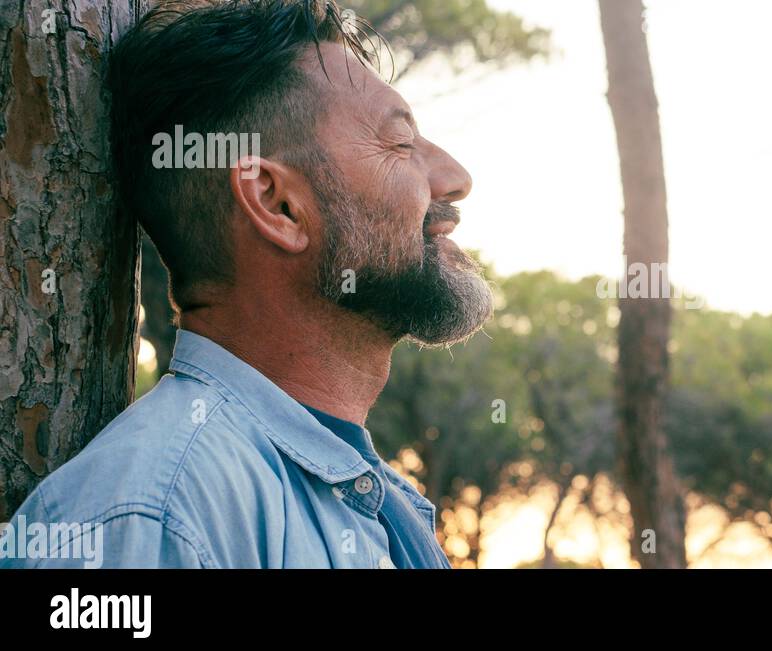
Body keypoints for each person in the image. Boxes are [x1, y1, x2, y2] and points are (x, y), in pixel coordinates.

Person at [0, 0, 489, 568]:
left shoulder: (384, 506)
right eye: (400, 144)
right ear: (277, 205)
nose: (455, 179)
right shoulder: (154, 523)